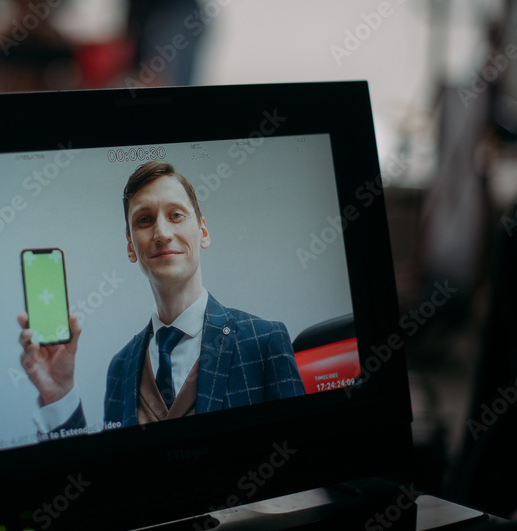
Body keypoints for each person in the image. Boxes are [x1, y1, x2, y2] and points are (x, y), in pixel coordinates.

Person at [18, 161, 304, 433]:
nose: (162, 233)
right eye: (144, 220)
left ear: (203, 232)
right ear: (131, 248)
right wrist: (60, 395)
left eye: (176, 215)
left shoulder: (264, 342)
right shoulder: (120, 367)